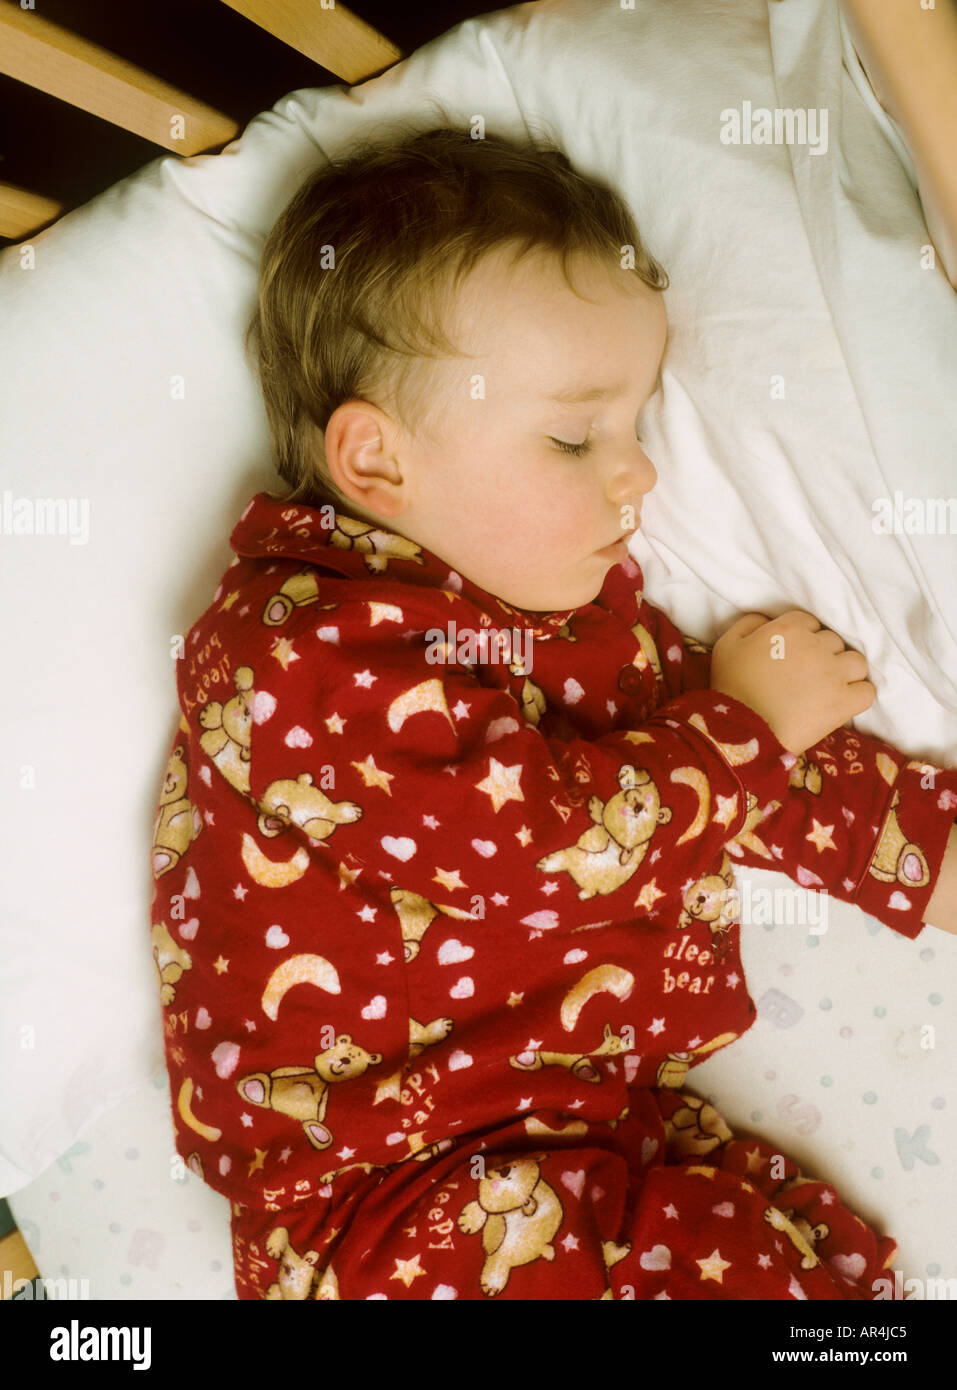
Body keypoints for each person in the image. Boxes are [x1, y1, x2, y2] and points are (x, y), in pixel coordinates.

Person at [149, 125, 957, 1300]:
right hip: (382, 1199)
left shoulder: (574, 627)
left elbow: (699, 792)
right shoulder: (291, 653)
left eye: (635, 425)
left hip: (573, 1140)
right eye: (576, 436)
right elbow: (560, 842)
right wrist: (746, 724)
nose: (639, 475)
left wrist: (923, 851)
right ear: (377, 463)